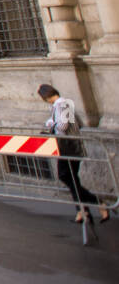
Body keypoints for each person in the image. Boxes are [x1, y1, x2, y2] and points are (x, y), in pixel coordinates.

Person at [39, 84, 110, 224]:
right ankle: (82, 211)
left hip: (70, 147)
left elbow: (62, 126)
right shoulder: (59, 106)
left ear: (46, 96)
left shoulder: (63, 105)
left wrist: (51, 124)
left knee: (65, 176)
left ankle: (97, 203)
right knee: (72, 179)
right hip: (67, 147)